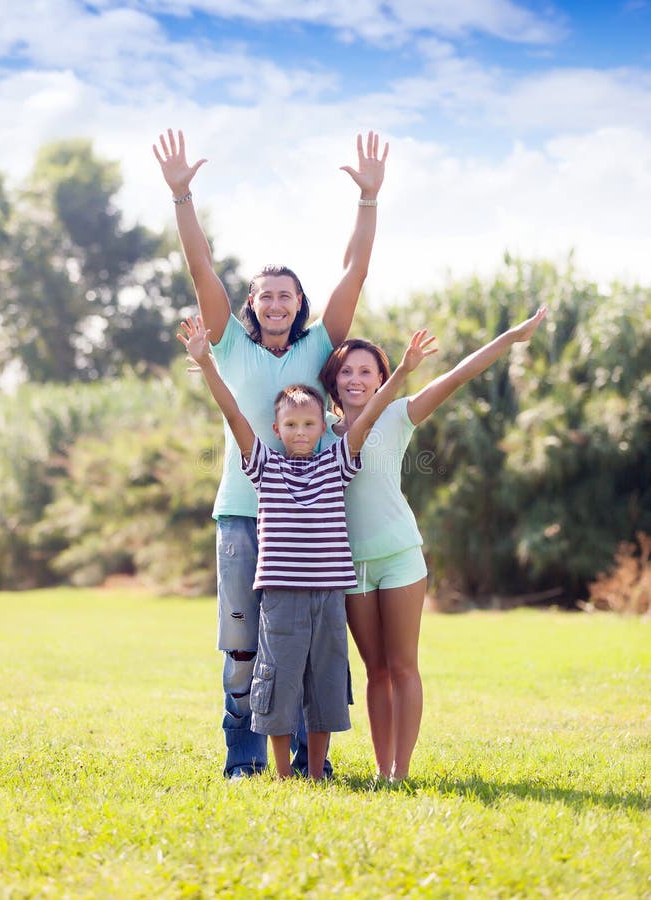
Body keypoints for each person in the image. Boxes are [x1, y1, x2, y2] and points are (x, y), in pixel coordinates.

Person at [153, 128, 389, 777]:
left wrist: (368, 201)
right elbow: (201, 267)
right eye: (266, 294)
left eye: (288, 294)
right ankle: (244, 759)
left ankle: (316, 758)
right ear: (252, 305)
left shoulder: (319, 350)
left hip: (309, 526)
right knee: (241, 645)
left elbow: (356, 272)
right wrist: (182, 197)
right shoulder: (229, 345)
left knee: (312, 645)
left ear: (299, 304)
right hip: (241, 514)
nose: (278, 302)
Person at [178, 316, 436, 778]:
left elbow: (373, 414)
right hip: (280, 598)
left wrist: (402, 372)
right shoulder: (263, 466)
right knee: (278, 683)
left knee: (326, 684)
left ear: (325, 427)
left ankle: (316, 771)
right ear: (276, 429)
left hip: (330, 598)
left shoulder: (337, 464)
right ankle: (281, 774)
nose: (300, 431)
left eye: (309, 424)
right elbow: (234, 413)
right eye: (291, 424)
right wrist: (207, 364)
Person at [319, 306, 548, 782]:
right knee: (374, 671)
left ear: (384, 378)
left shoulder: (399, 414)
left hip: (401, 557)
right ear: (334, 380)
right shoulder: (317, 430)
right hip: (350, 565)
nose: (356, 379)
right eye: (347, 371)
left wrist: (508, 337)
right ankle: (383, 771)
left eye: (367, 371)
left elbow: (459, 375)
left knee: (403, 667)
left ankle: (401, 773)